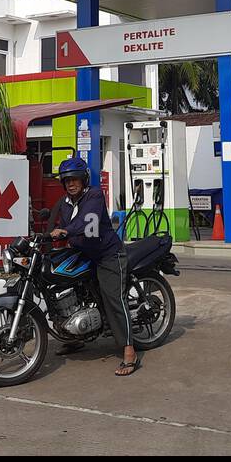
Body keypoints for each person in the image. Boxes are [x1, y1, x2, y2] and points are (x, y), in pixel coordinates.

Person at [49, 155, 139, 376]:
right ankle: (75, 336)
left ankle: (130, 352)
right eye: (66, 180)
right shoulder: (65, 203)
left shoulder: (95, 195)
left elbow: (87, 221)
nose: (71, 183)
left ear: (84, 179)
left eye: (75, 179)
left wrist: (66, 231)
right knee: (64, 288)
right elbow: (53, 222)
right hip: (84, 254)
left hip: (108, 255)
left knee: (113, 298)